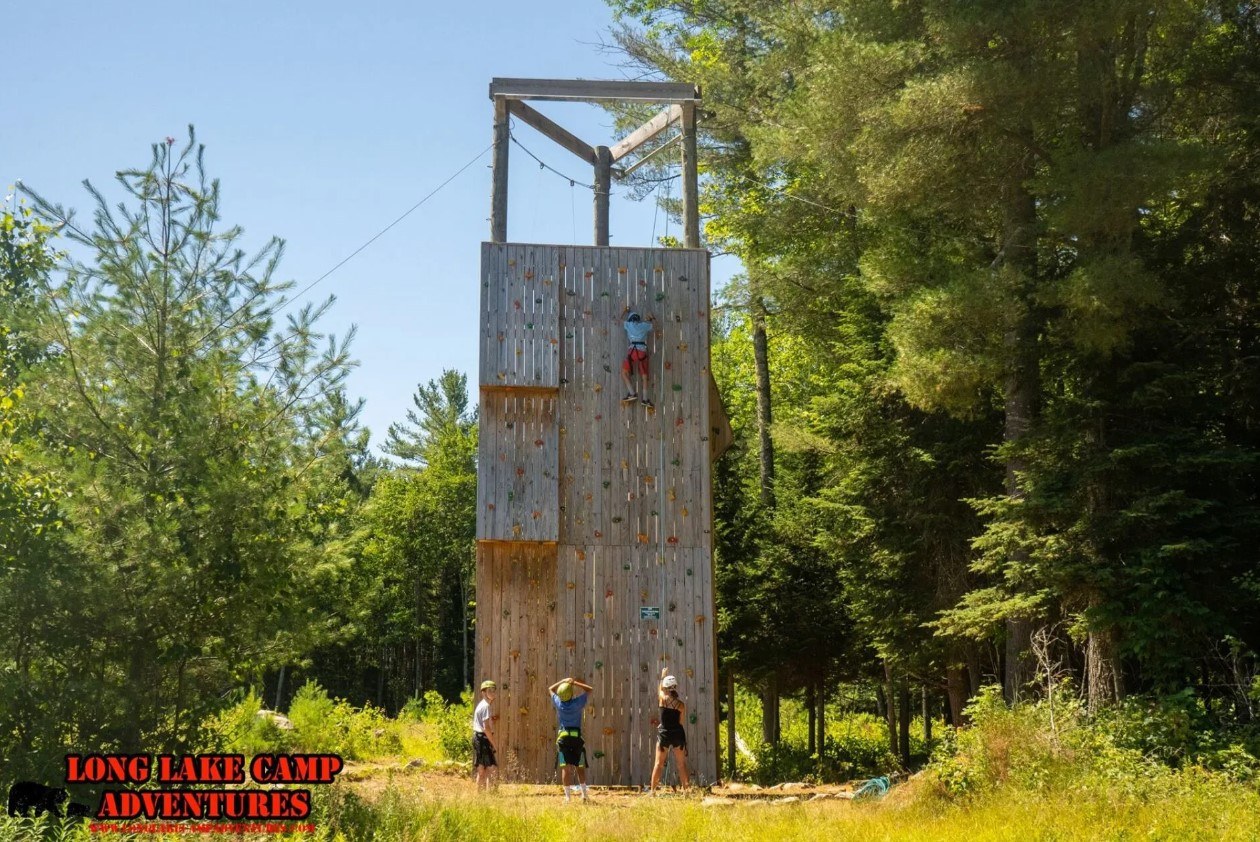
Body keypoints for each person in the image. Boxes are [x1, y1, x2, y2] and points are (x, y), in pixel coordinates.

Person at [548, 676, 594, 801]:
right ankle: (584, 794)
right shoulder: (577, 703)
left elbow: (550, 689)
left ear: (561, 694)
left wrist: (562, 681)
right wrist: (575, 683)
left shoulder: (558, 702)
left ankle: (568, 798)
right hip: (576, 738)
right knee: (580, 767)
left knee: (565, 768)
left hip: (563, 739)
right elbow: (590, 690)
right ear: (571, 693)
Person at [649, 667, 690, 794]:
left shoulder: (662, 699)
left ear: (666, 687)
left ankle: (653, 792)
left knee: (658, 764)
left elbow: (660, 689)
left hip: (664, 734)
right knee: (681, 765)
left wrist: (662, 675)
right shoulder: (681, 704)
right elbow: (680, 722)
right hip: (677, 734)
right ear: (675, 686)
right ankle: (686, 792)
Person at [620, 307, 655, 408]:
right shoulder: (644, 325)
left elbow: (619, 320)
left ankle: (632, 393)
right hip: (642, 352)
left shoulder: (628, 324)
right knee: (644, 376)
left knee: (624, 373)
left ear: (630, 319)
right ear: (638, 319)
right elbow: (654, 327)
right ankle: (645, 399)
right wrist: (652, 318)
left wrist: (624, 311)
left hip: (632, 352)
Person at [472, 680, 498, 793]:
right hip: (483, 739)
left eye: (493, 690)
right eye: (489, 691)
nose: (492, 693)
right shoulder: (486, 706)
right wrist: (493, 743)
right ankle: (491, 794)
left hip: (478, 738)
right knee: (492, 769)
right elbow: (486, 728)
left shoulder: (482, 705)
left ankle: (481, 796)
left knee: (482, 769)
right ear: (483, 693)